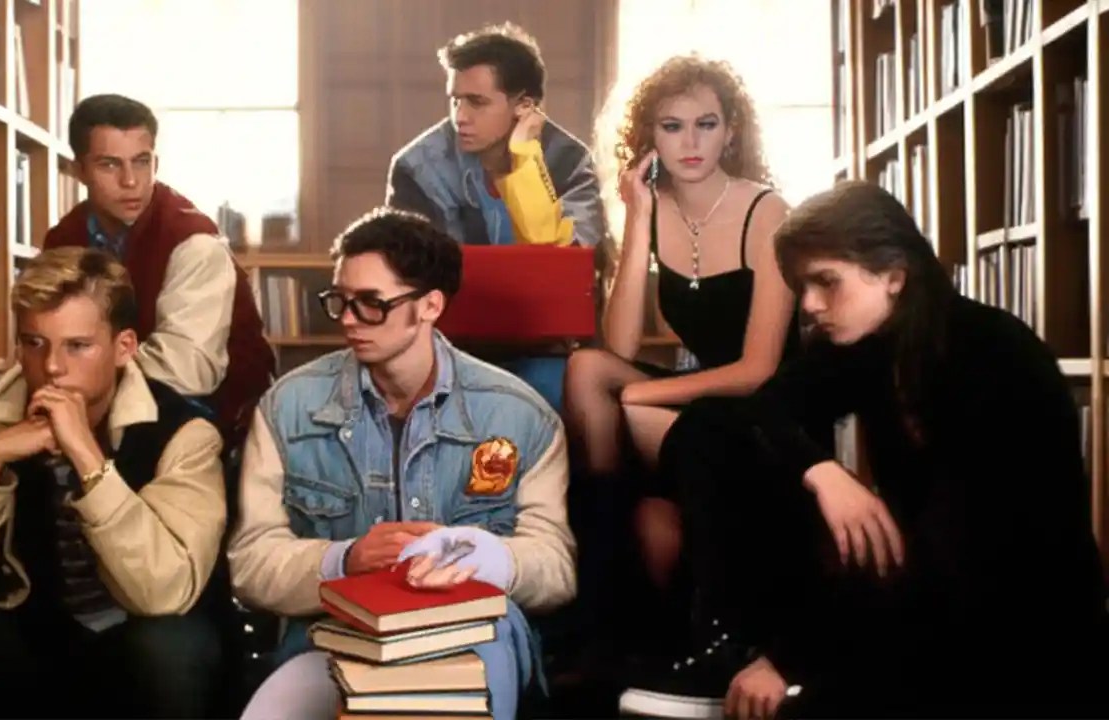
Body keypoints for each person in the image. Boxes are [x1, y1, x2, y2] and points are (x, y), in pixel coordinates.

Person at [631, 180, 1109, 719]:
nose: (808, 305)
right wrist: (824, 473)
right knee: (711, 428)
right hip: (917, 591)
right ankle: (735, 645)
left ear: (893, 275)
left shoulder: (996, 357)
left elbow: (958, 553)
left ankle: (771, 665)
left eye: (825, 283)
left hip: (1015, 625)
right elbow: (759, 411)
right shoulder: (872, 345)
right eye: (802, 286)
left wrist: (791, 657)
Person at [227, 207, 576, 720]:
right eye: (340, 301)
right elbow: (250, 565)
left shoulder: (521, 415)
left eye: (371, 304)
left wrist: (483, 557)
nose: (348, 319)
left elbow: (557, 570)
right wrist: (342, 561)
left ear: (430, 305)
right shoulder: (287, 408)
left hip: (476, 634)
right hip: (334, 634)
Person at [0, 247, 229, 718]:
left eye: (77, 346)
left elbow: (161, 594)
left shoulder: (185, 433)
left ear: (124, 347)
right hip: (32, 641)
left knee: (170, 648)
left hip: (139, 640)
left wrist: (88, 457)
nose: (53, 367)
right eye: (34, 343)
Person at [561, 54, 800, 681]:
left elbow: (758, 368)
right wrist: (638, 219)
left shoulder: (765, 211)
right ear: (648, 139)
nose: (690, 143)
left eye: (706, 123)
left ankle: (604, 624)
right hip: (694, 407)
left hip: (764, 413)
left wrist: (644, 398)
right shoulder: (654, 207)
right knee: (588, 372)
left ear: (732, 131)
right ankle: (604, 622)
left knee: (616, 403)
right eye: (672, 127)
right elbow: (616, 346)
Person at [386, 22, 610, 411]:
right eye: (455, 100)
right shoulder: (417, 166)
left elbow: (567, 265)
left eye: (477, 101)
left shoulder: (568, 161)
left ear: (524, 106)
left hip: (551, 350)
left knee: (554, 396)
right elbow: (412, 275)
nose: (461, 116)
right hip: (450, 348)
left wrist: (524, 161)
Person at [45, 93, 276, 448]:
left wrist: (84, 366)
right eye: (109, 165)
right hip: (100, 418)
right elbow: (45, 346)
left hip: (212, 428)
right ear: (78, 170)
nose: (131, 181)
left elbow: (186, 374)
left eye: (141, 162)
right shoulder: (63, 240)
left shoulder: (194, 242)